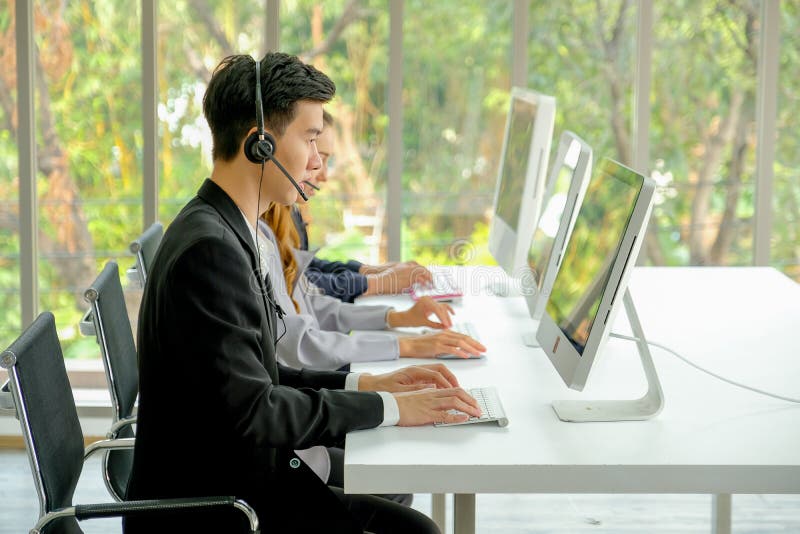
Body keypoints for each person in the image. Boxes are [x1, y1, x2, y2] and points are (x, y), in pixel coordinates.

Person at [125, 52, 482, 534]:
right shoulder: (209, 253)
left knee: (406, 517)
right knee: (413, 529)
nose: (317, 161)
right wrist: (391, 409)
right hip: (219, 509)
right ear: (261, 146)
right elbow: (257, 410)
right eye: (311, 139)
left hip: (241, 483)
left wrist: (369, 386)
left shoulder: (228, 229)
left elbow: (264, 376)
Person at [260, 203, 486, 372]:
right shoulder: (258, 238)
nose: (318, 165)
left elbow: (316, 303)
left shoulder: (269, 231)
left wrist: (396, 317)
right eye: (310, 142)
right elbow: (302, 346)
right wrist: (405, 345)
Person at [291, 110, 432, 303]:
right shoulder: (268, 219)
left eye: (323, 159)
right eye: (319, 157)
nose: (323, 175)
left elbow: (308, 267)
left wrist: (373, 271)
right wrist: (379, 282)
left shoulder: (291, 212)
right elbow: (303, 285)